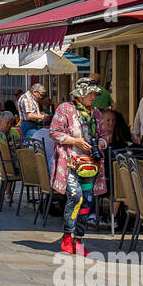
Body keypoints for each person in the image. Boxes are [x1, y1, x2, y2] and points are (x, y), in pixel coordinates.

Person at [49, 79, 107, 255]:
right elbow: (54, 132)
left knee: (88, 200)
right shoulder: (65, 109)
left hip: (90, 166)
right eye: (90, 93)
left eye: (94, 94)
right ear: (80, 94)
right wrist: (75, 141)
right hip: (70, 163)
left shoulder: (96, 113)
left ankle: (79, 239)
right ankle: (67, 236)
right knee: (75, 196)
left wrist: (101, 144)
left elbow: (104, 135)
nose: (93, 97)